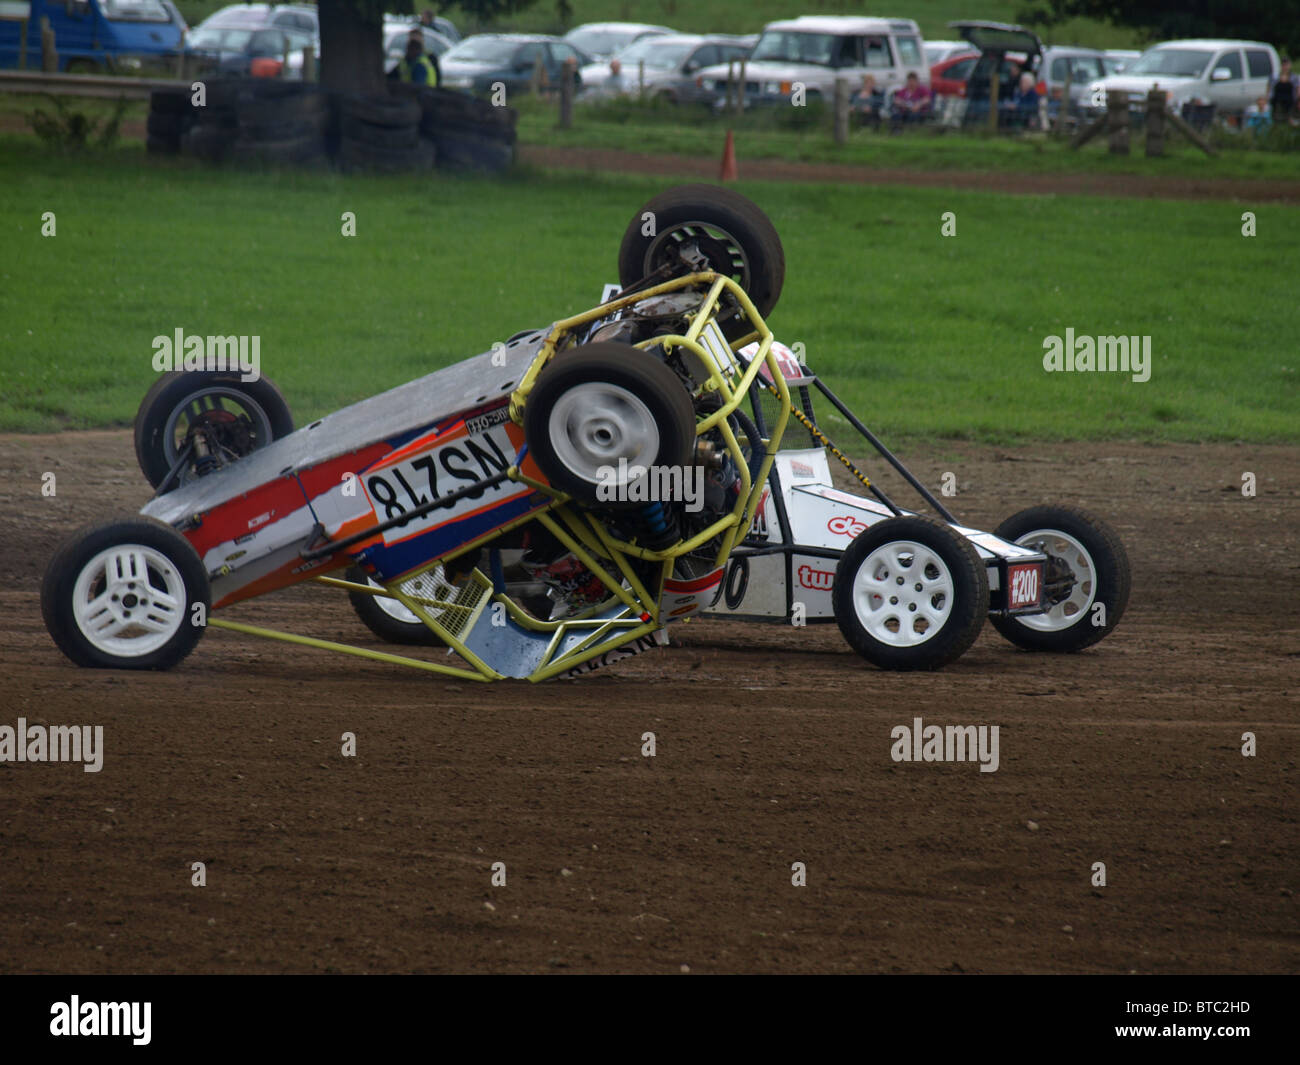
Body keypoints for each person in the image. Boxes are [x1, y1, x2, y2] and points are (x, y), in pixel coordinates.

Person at [1268, 58, 1297, 123]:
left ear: (1290, 65)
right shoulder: (1274, 77)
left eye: (1287, 65)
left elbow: (1297, 89)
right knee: (1277, 118)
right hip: (1277, 101)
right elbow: (1270, 89)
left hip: (1290, 101)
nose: (1285, 67)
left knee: (1289, 118)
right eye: (1283, 65)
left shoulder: (1294, 77)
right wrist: (1268, 98)